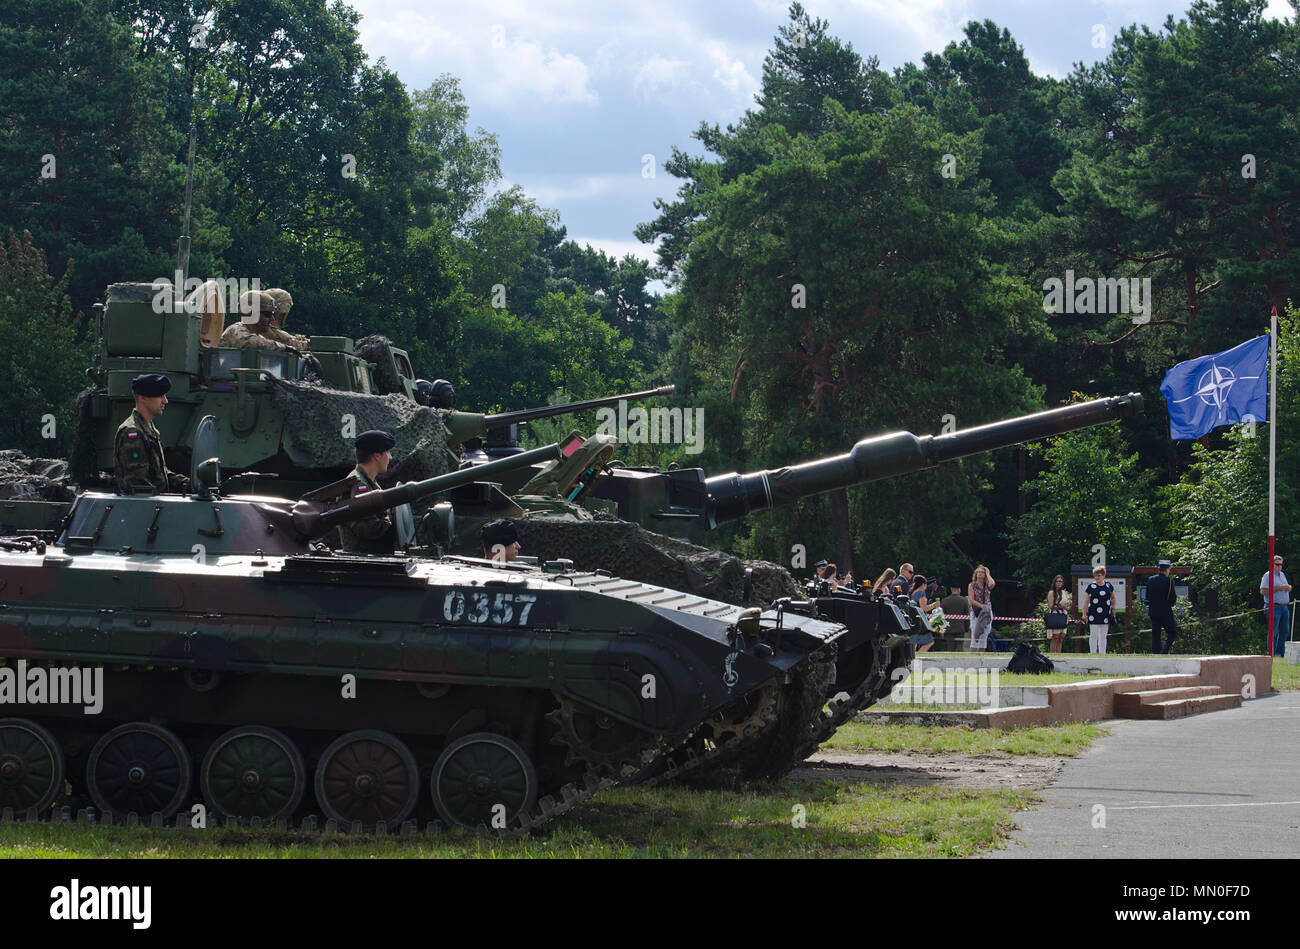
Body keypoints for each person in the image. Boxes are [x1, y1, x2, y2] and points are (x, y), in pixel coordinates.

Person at [114, 373, 190, 494]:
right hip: (143, 508)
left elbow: (160, 475)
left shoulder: (149, 430)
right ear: (143, 397)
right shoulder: (133, 432)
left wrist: (189, 484)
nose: (165, 401)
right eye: (160, 396)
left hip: (153, 506)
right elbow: (138, 483)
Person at [336, 430, 396, 554]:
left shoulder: (369, 482)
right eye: (388, 452)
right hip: (362, 561)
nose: (390, 457)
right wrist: (390, 516)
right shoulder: (359, 485)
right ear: (377, 456)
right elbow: (368, 529)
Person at [219, 290, 306, 352]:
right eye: (267, 315)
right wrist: (285, 348)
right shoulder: (235, 330)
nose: (272, 319)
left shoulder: (258, 336)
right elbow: (250, 342)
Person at [1260, 555, 1292, 658]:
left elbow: (1286, 587)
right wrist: (1278, 588)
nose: (1279, 566)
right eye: (1277, 564)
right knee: (1273, 631)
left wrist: (1288, 588)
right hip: (1273, 606)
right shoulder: (1267, 576)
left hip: (1284, 607)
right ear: (1272, 564)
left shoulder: (1282, 575)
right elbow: (1263, 591)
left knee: (1284, 630)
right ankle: (1271, 654)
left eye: (1281, 564)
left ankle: (1280, 654)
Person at [1146, 561, 1179, 654]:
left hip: (1153, 611)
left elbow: (1147, 596)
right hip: (1165, 611)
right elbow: (1172, 598)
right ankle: (1164, 651)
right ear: (1167, 570)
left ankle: (1156, 653)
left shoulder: (1150, 580)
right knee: (1172, 632)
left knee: (1156, 634)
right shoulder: (1169, 581)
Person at [1084, 565, 1115, 654]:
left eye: (1099, 575)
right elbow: (1086, 601)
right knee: (1093, 635)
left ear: (1103, 576)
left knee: (1103, 635)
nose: (1097, 577)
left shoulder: (1108, 585)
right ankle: (1093, 652)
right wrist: (1084, 613)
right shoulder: (1091, 586)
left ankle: (1102, 653)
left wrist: (1113, 609)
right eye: (1095, 575)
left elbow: (1113, 598)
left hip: (1105, 613)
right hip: (1093, 613)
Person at [908, 575, 939, 652]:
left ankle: (913, 657)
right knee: (929, 642)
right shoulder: (921, 593)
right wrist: (934, 604)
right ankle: (919, 655)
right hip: (921, 621)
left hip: (914, 620)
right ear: (923, 584)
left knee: (914, 643)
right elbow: (924, 608)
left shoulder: (912, 593)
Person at [967, 565, 995, 652]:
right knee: (975, 634)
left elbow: (993, 584)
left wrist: (988, 573)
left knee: (985, 634)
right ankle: (972, 657)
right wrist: (982, 606)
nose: (980, 574)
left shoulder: (987, 585)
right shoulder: (972, 585)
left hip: (987, 612)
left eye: (982, 572)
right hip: (976, 612)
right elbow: (971, 599)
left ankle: (981, 657)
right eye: (978, 572)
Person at [1045, 575, 1071, 654]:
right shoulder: (1051, 592)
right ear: (1054, 582)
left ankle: (1059, 654)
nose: (1059, 583)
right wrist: (1061, 606)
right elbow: (1051, 606)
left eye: (1061, 581)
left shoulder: (1064, 592)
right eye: (1058, 581)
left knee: (1061, 637)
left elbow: (1068, 606)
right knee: (1055, 637)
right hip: (1055, 616)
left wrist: (1066, 607)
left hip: (1063, 616)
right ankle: (1053, 654)